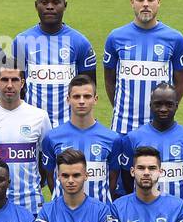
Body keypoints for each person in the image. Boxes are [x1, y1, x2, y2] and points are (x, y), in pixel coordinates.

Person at [103, 0, 183, 135]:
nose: (146, 4)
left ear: (159, 2)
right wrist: (120, 107)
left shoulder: (175, 39)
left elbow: (180, 83)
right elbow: (109, 81)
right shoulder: (116, 37)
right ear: (132, 3)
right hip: (123, 127)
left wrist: (167, 111)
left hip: (160, 128)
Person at [11, 0, 98, 127]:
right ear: (36, 5)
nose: (49, 7)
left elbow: (88, 88)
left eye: (55, 2)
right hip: (31, 126)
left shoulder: (80, 42)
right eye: (44, 2)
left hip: (69, 126)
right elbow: (16, 86)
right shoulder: (21, 41)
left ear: (65, 5)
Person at [0, 58, 52, 212]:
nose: (9, 85)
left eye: (14, 80)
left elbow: (46, 161)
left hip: (30, 202)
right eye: (4, 80)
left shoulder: (40, 117)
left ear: (22, 83)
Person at [117, 82, 183, 206]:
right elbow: (127, 180)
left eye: (169, 104)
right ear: (150, 105)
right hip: (143, 211)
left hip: (179, 216)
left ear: (176, 106)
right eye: (158, 104)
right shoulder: (132, 139)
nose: (163, 109)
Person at [40, 75, 122, 203]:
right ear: (68, 99)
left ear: (95, 99)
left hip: (99, 215)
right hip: (63, 215)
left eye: (87, 96)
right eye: (76, 96)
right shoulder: (52, 137)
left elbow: (113, 178)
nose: (81, 101)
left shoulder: (112, 139)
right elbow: (50, 177)